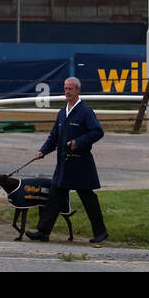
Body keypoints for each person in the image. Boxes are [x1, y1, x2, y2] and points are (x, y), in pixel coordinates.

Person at [27, 76, 108, 244]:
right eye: (65, 89)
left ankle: (101, 232)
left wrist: (78, 142)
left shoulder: (86, 111)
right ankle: (43, 232)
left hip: (80, 165)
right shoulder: (62, 112)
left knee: (88, 198)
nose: (67, 92)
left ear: (78, 90)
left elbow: (97, 132)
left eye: (70, 89)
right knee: (54, 198)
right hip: (64, 165)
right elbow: (54, 136)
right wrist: (43, 151)